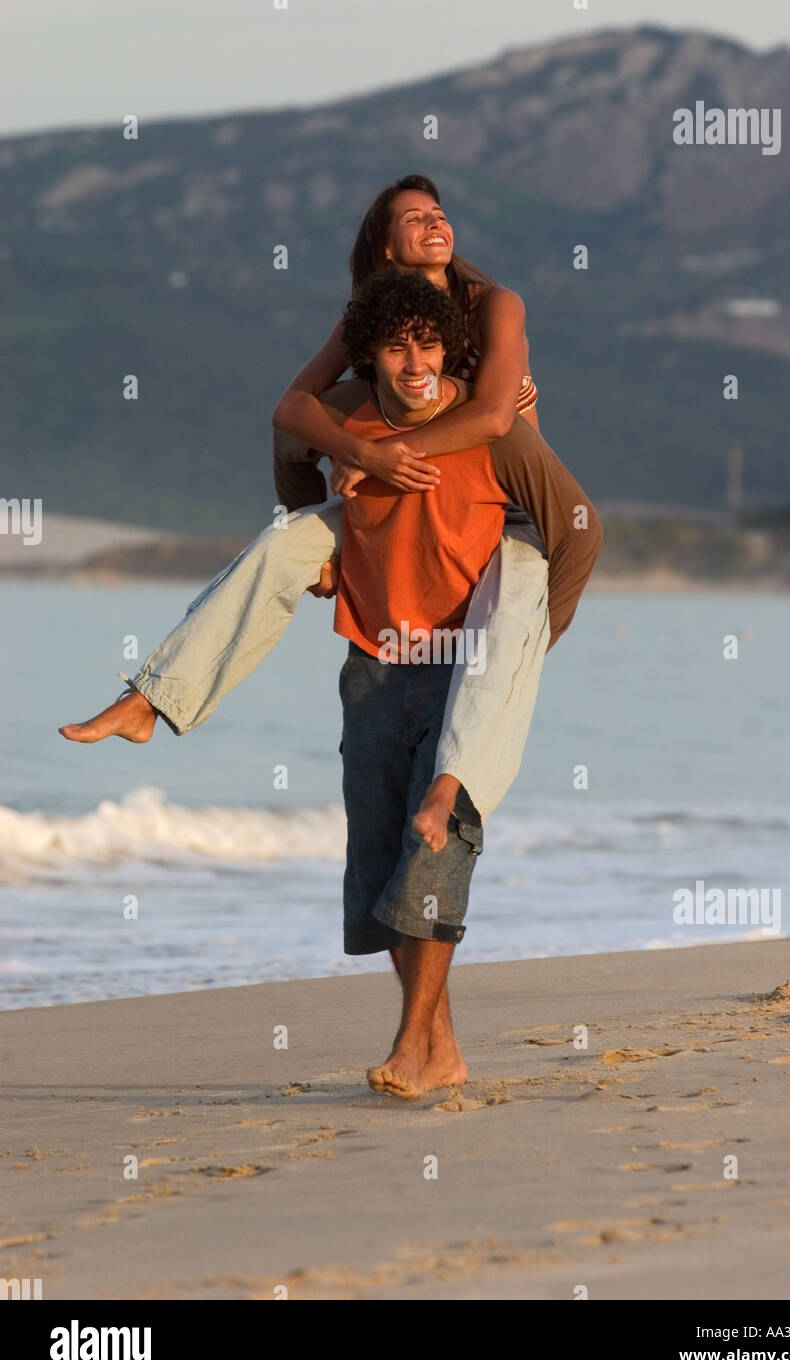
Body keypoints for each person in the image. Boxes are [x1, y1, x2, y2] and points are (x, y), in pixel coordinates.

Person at [58, 174, 561, 845]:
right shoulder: (372, 325)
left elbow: (495, 417)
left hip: (497, 504)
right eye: (413, 218)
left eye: (437, 212)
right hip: (395, 498)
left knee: (505, 629)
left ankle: (453, 786)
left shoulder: (494, 305)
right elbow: (290, 412)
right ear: (386, 252)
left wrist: (381, 453)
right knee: (282, 544)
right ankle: (151, 699)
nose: (433, 222)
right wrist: (351, 470)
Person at [287, 272, 600, 1097]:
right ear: (372, 357)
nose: (414, 361)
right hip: (375, 666)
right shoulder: (350, 422)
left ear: (450, 350)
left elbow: (577, 529)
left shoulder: (492, 432)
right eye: (396, 346)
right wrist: (318, 548)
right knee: (387, 859)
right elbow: (286, 440)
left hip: (464, 666)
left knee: (439, 838)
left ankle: (409, 1043)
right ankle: (442, 1049)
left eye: (428, 343)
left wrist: (534, 640)